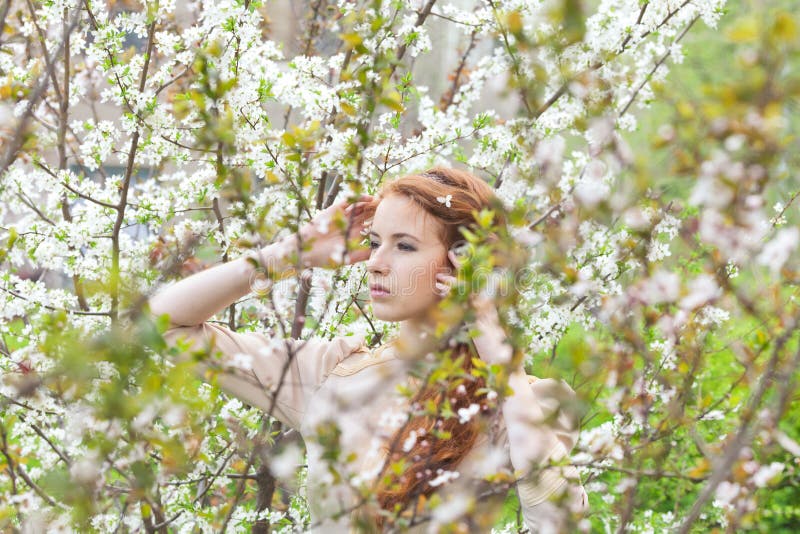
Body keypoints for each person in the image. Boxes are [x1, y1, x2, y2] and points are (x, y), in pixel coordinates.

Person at [148, 167, 587, 532]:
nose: (375, 262)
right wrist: (290, 253)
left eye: (404, 246)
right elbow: (163, 325)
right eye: (375, 242)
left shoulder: (522, 400)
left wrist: (499, 357)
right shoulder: (331, 372)